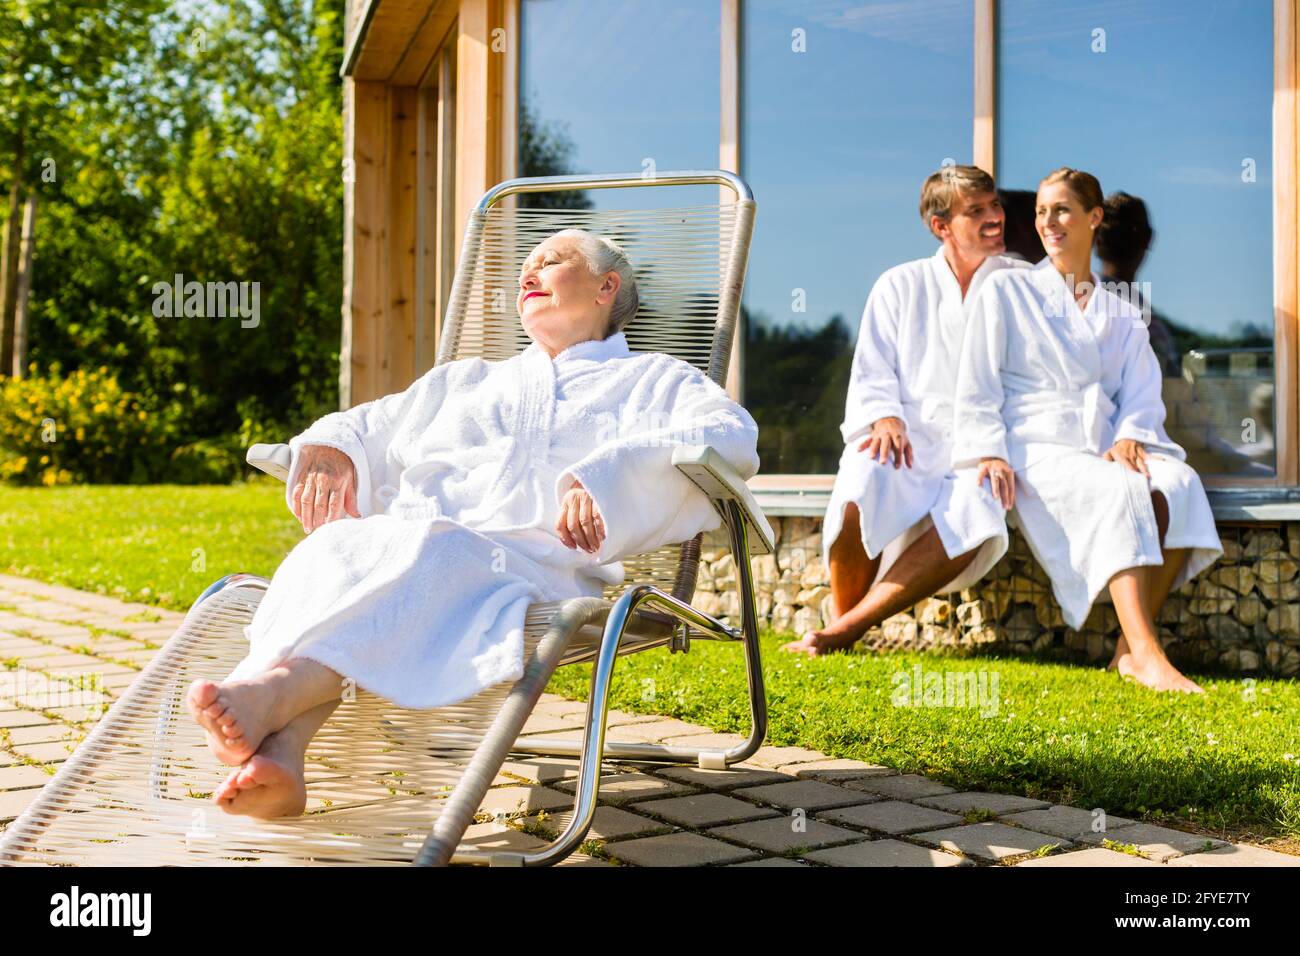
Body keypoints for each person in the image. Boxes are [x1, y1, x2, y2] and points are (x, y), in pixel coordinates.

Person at [186, 229, 760, 817]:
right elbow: (366, 424)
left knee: (440, 551)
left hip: (535, 572)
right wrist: (333, 445)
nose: (527, 275)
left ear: (606, 287)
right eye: (523, 269)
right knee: (335, 546)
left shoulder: (657, 381)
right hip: (409, 548)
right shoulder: (466, 380)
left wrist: (606, 476)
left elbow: (730, 435)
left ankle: (268, 692)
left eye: (551, 262)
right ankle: (283, 755)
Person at [953, 168, 1222, 693]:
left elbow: (1141, 391)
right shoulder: (1006, 290)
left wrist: (1131, 434)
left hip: (1101, 442)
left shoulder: (1122, 313)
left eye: (1061, 210)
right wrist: (988, 451)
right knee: (1121, 487)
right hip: (1038, 446)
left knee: (1180, 483)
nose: (1048, 222)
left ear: (1093, 218)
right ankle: (1147, 653)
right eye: (1040, 212)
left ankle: (1126, 651)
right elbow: (977, 380)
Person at [782, 165, 1023, 656]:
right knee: (861, 478)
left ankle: (841, 631)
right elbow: (872, 367)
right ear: (941, 226)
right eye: (976, 211)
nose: (994, 217)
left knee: (978, 509)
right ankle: (844, 627)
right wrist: (884, 414)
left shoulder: (1021, 284)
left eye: (995, 205)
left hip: (982, 447)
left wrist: (996, 448)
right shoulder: (899, 284)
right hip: (912, 440)